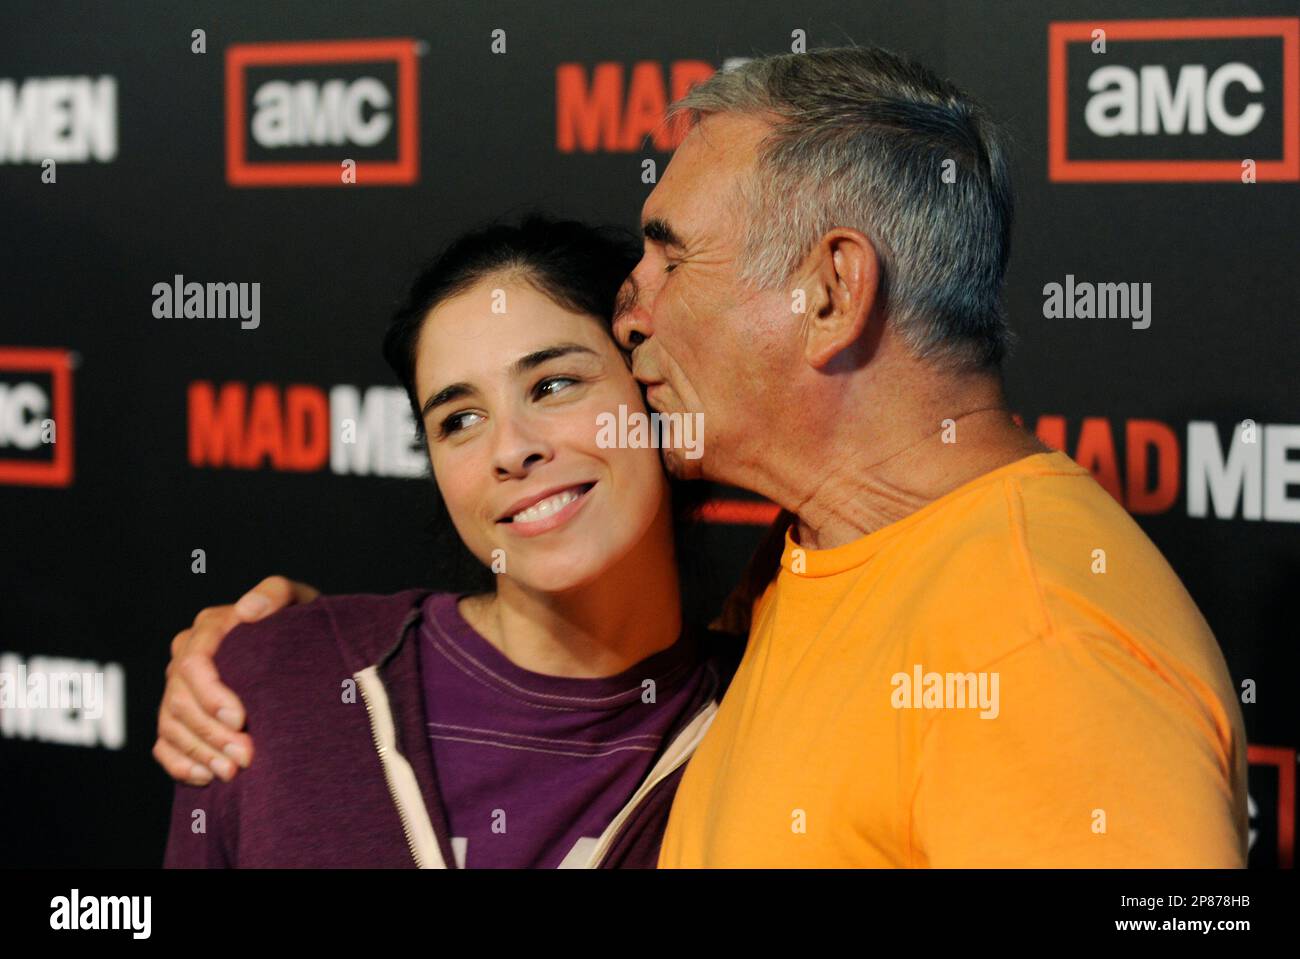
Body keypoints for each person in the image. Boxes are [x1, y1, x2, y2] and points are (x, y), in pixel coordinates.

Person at [160, 46, 1248, 867]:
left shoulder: (1043, 649)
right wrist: (297, 651)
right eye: (457, 417)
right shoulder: (815, 560)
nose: (631, 304)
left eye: (669, 256)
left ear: (828, 292)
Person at [161, 215, 745, 869]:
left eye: (552, 385)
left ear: (653, 390)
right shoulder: (273, 682)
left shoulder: (768, 714)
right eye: (459, 419)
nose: (512, 449)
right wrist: (282, 656)